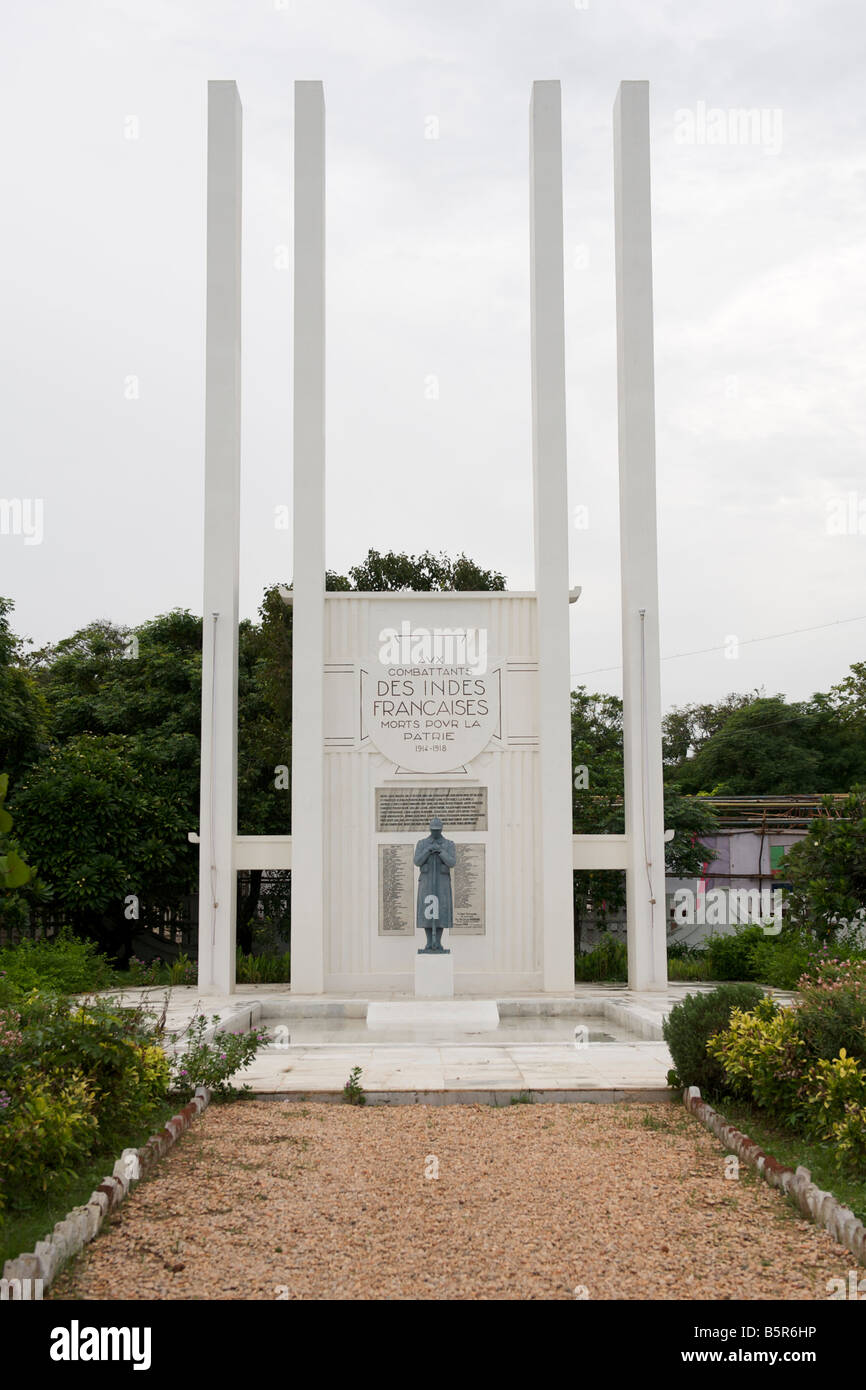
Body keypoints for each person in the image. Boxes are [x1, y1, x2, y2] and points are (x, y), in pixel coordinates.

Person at [413, 816, 456, 953]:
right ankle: (428, 943)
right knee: (427, 912)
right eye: (433, 830)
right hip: (426, 882)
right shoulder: (422, 843)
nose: (435, 833)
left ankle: (438, 942)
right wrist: (428, 850)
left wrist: (440, 851)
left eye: (437, 830)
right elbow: (417, 861)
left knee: (441, 912)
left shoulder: (449, 844)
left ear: (441, 830)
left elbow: (452, 862)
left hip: (442, 883)